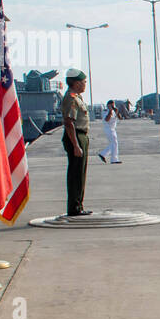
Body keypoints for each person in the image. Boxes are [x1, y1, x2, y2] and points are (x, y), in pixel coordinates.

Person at [61, 68, 92, 216]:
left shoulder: (77, 96)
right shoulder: (71, 98)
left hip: (81, 136)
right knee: (76, 174)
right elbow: (69, 122)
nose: (85, 84)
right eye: (83, 82)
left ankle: (78, 205)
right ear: (76, 83)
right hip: (76, 136)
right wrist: (75, 145)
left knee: (80, 173)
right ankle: (74, 207)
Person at [98, 100, 121, 164]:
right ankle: (113, 159)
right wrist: (110, 111)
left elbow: (120, 118)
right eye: (112, 105)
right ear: (108, 105)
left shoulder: (114, 111)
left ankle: (103, 154)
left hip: (113, 129)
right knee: (114, 143)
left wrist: (117, 112)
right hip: (108, 129)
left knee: (114, 144)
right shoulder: (105, 111)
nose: (113, 107)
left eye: (114, 105)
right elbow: (107, 119)